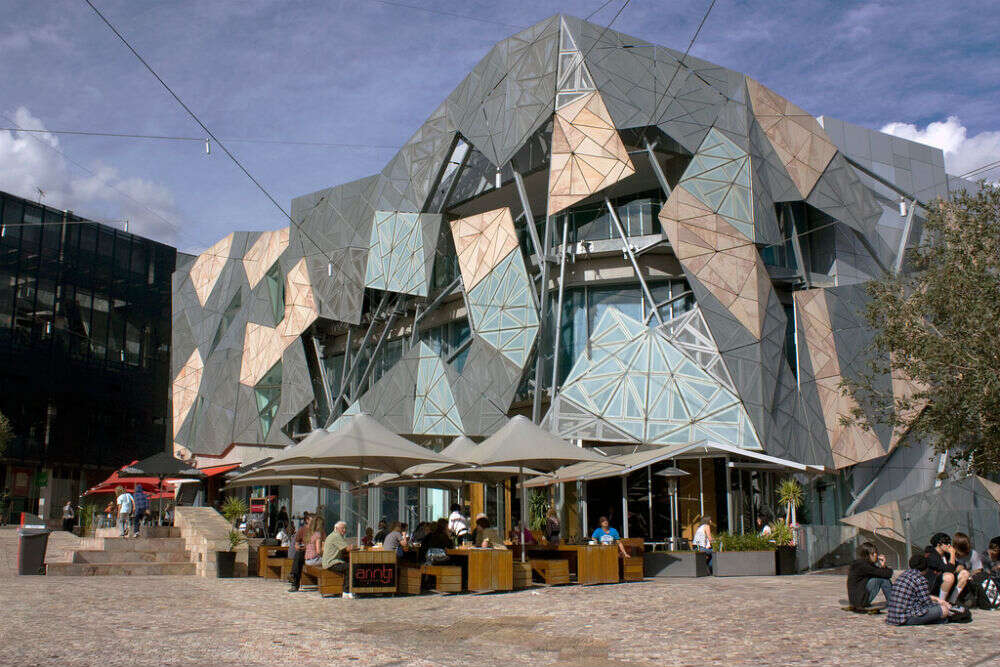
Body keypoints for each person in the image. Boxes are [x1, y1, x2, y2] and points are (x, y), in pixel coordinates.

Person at [886, 554, 951, 625]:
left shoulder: (903, 575)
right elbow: (927, 604)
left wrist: (938, 600)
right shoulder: (920, 579)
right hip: (905, 618)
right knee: (944, 610)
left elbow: (917, 596)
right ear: (926, 568)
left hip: (892, 618)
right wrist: (941, 606)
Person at [847, 542, 894, 609]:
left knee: (882, 577)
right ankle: (894, 603)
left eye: (876, 552)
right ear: (866, 554)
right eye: (872, 553)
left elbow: (884, 573)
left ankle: (893, 602)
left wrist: (883, 566)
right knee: (881, 579)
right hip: (859, 601)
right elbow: (887, 574)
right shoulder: (863, 565)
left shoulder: (864, 563)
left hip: (858, 599)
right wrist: (883, 566)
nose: (875, 555)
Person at [322, 520, 356, 596]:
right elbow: (347, 548)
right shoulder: (336, 536)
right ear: (336, 528)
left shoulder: (333, 535)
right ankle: (346, 592)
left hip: (329, 562)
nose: (344, 530)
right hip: (331, 563)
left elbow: (343, 549)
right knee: (350, 567)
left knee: (348, 565)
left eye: (345, 528)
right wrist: (354, 547)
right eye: (342, 528)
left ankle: (350, 589)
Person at [924, 532, 957, 598]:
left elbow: (959, 565)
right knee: (949, 577)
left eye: (949, 543)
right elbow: (949, 570)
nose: (949, 545)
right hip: (933, 585)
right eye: (946, 543)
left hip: (944, 583)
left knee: (964, 573)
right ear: (938, 544)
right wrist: (953, 554)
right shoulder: (931, 556)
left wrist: (960, 567)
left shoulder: (946, 555)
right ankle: (941, 602)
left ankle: (953, 601)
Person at [287, 511, 311, 593]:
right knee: (298, 554)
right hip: (304, 552)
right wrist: (301, 547)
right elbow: (296, 545)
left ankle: (293, 576)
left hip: (313, 552)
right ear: (307, 520)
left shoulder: (317, 531)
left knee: (298, 556)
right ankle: (294, 581)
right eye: (312, 520)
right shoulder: (302, 530)